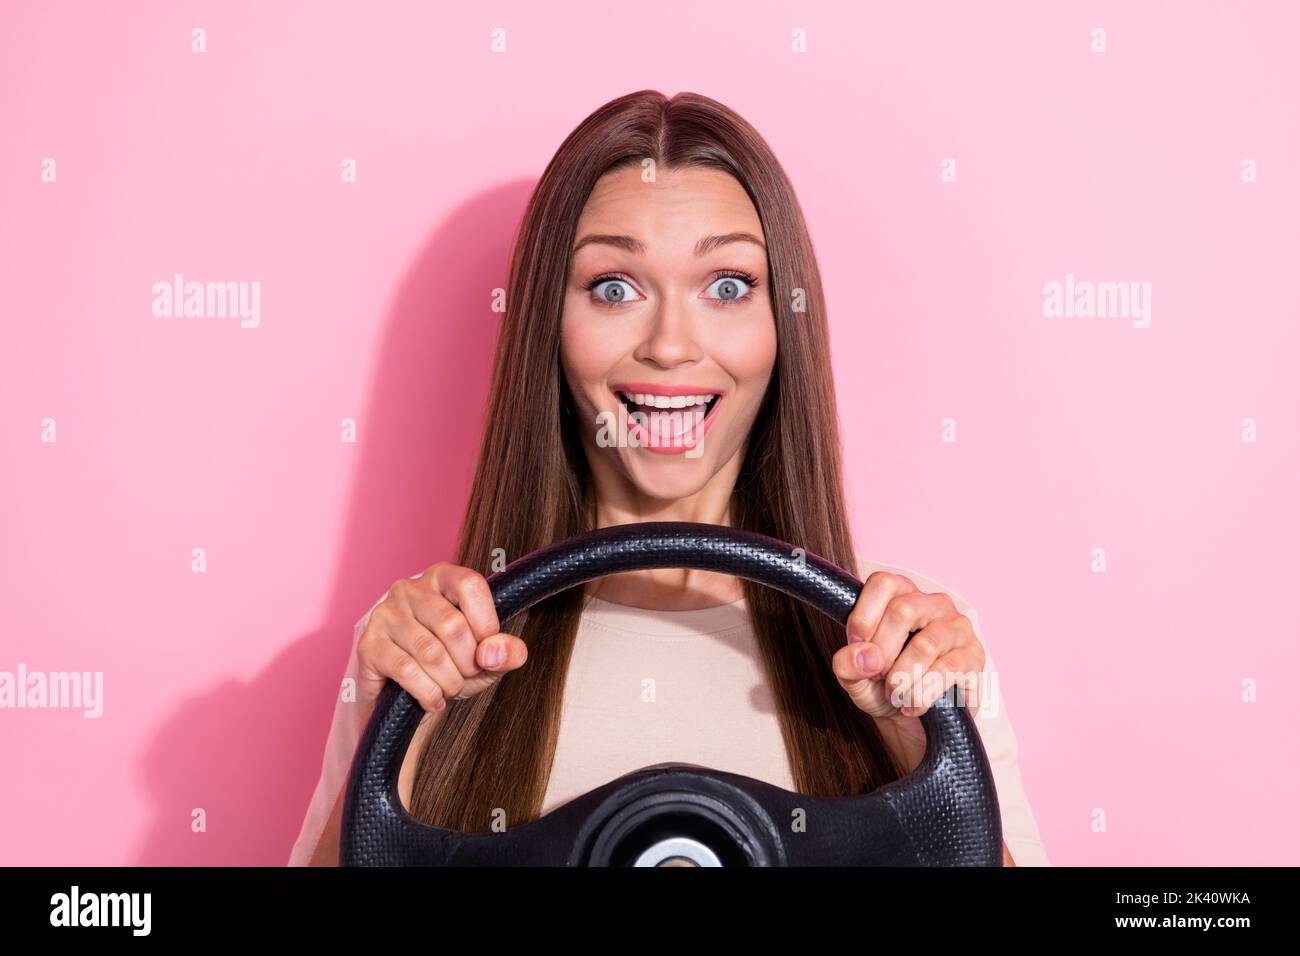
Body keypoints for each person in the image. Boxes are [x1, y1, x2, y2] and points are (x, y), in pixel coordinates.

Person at [289, 89, 1050, 867]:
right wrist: (411, 725)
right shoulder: (429, 644)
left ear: (783, 325)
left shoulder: (911, 645)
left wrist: (909, 735)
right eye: (614, 287)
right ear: (547, 326)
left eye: (726, 286)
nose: (670, 345)